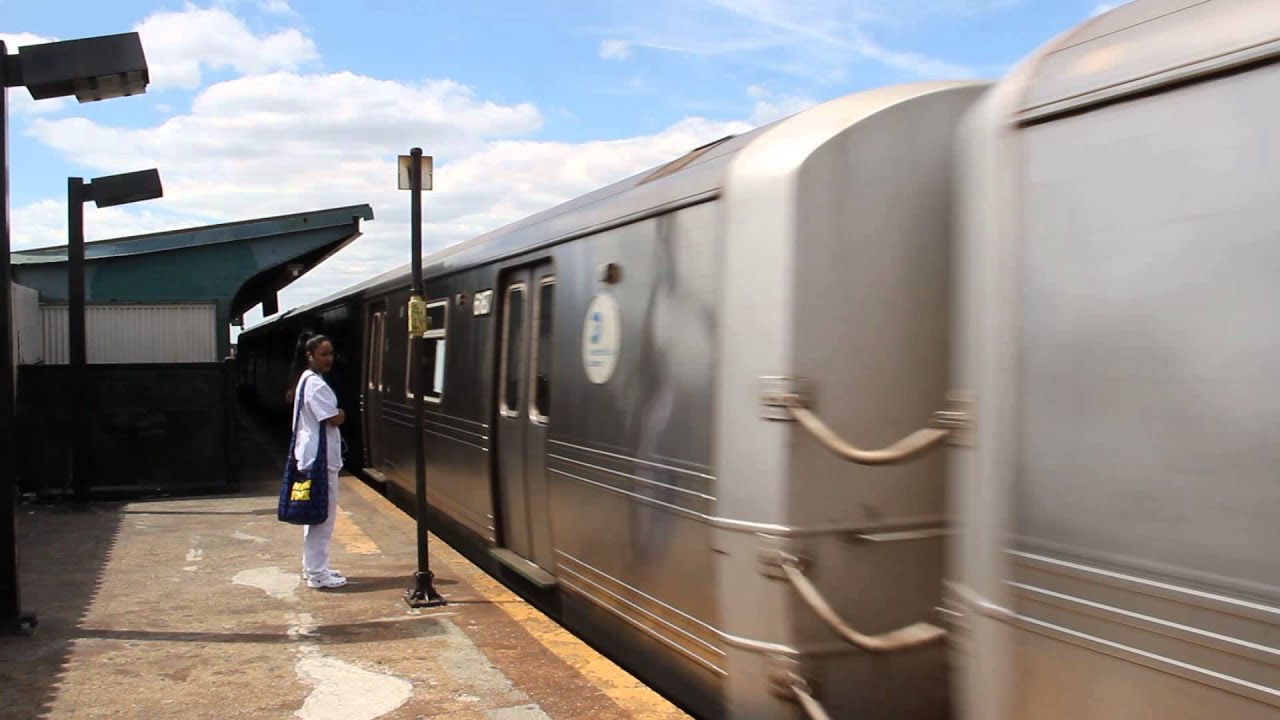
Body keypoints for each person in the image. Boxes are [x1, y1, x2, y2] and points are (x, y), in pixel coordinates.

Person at [287, 330, 348, 589]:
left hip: (312, 455)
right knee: (323, 517)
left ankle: (313, 567)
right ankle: (317, 574)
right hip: (320, 460)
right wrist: (341, 414)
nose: (329, 358)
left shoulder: (306, 380)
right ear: (310, 355)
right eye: (323, 354)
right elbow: (333, 418)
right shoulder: (314, 384)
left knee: (315, 516)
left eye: (331, 353)